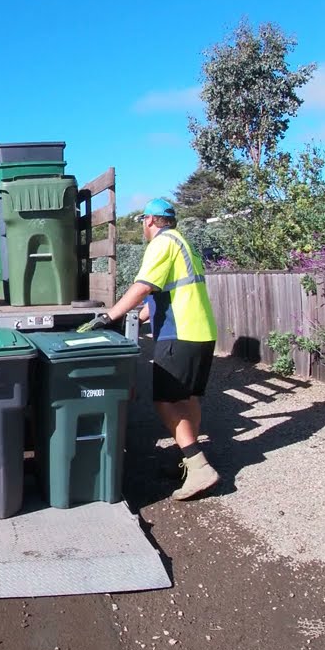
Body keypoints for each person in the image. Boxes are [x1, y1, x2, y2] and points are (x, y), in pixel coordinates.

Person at [102, 198, 220, 500]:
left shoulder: (161, 243)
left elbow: (143, 286)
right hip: (201, 332)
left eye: (143, 220)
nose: (143, 226)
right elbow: (161, 293)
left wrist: (110, 316)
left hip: (178, 333)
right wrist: (138, 317)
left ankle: (199, 466)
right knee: (188, 398)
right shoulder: (184, 243)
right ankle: (189, 462)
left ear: (151, 220)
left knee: (166, 402)